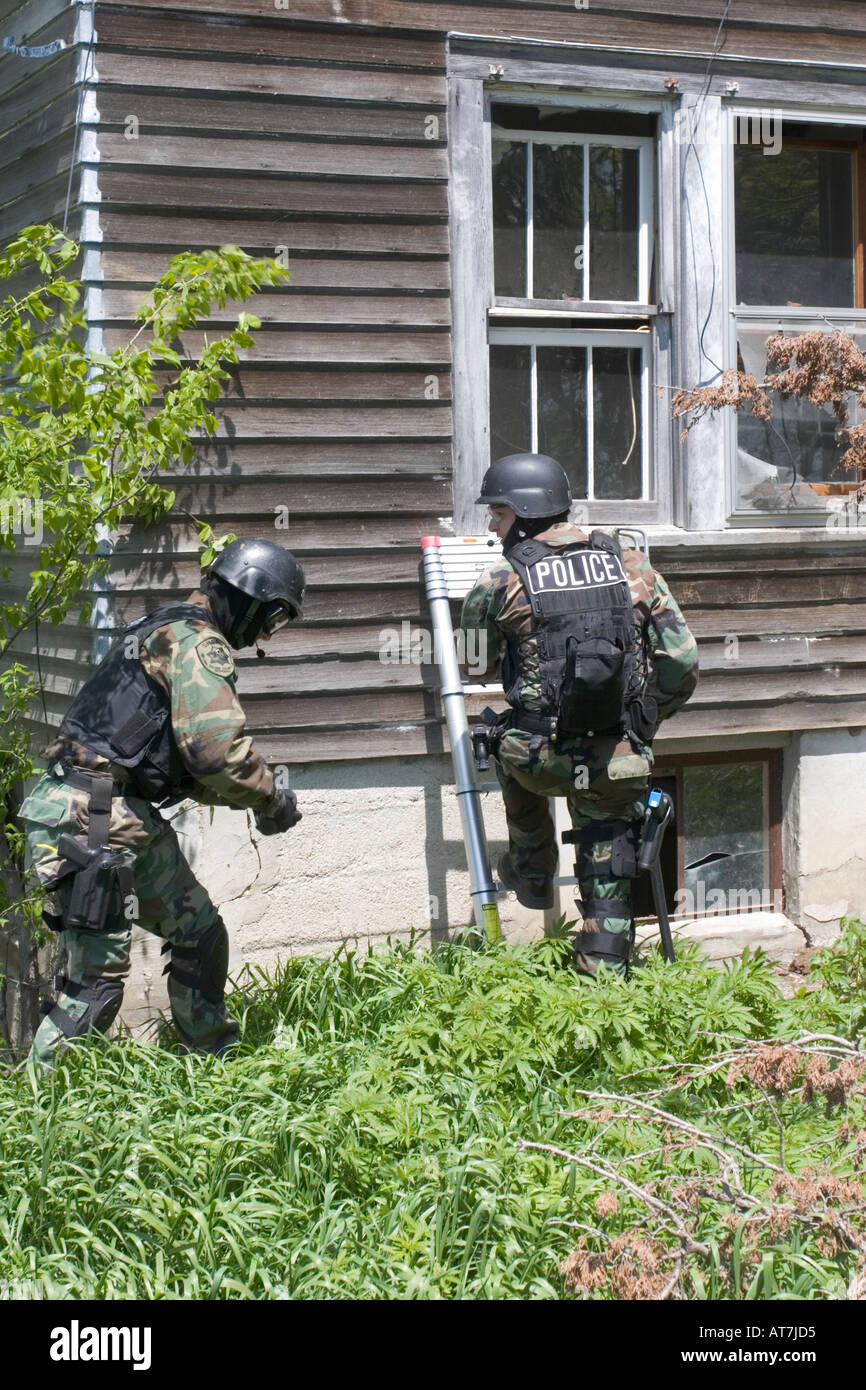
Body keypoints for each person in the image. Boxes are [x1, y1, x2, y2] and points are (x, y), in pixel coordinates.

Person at [18, 537, 305, 1071]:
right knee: (95, 987)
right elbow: (217, 752)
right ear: (247, 596)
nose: (266, 635)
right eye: (272, 618)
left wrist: (250, 795)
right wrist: (271, 800)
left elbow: (173, 757)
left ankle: (217, 1066)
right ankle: (37, 1109)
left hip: (118, 811)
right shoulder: (198, 642)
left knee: (199, 933)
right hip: (92, 816)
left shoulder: (166, 626)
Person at [460, 454, 699, 975]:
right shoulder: (632, 564)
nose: (491, 526)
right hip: (618, 760)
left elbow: (472, 664)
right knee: (608, 858)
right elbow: (682, 662)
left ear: (523, 514)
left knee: (501, 738)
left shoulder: (500, 578)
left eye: (497, 515)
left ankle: (533, 868)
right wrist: (645, 720)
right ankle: (604, 972)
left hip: (541, 760)